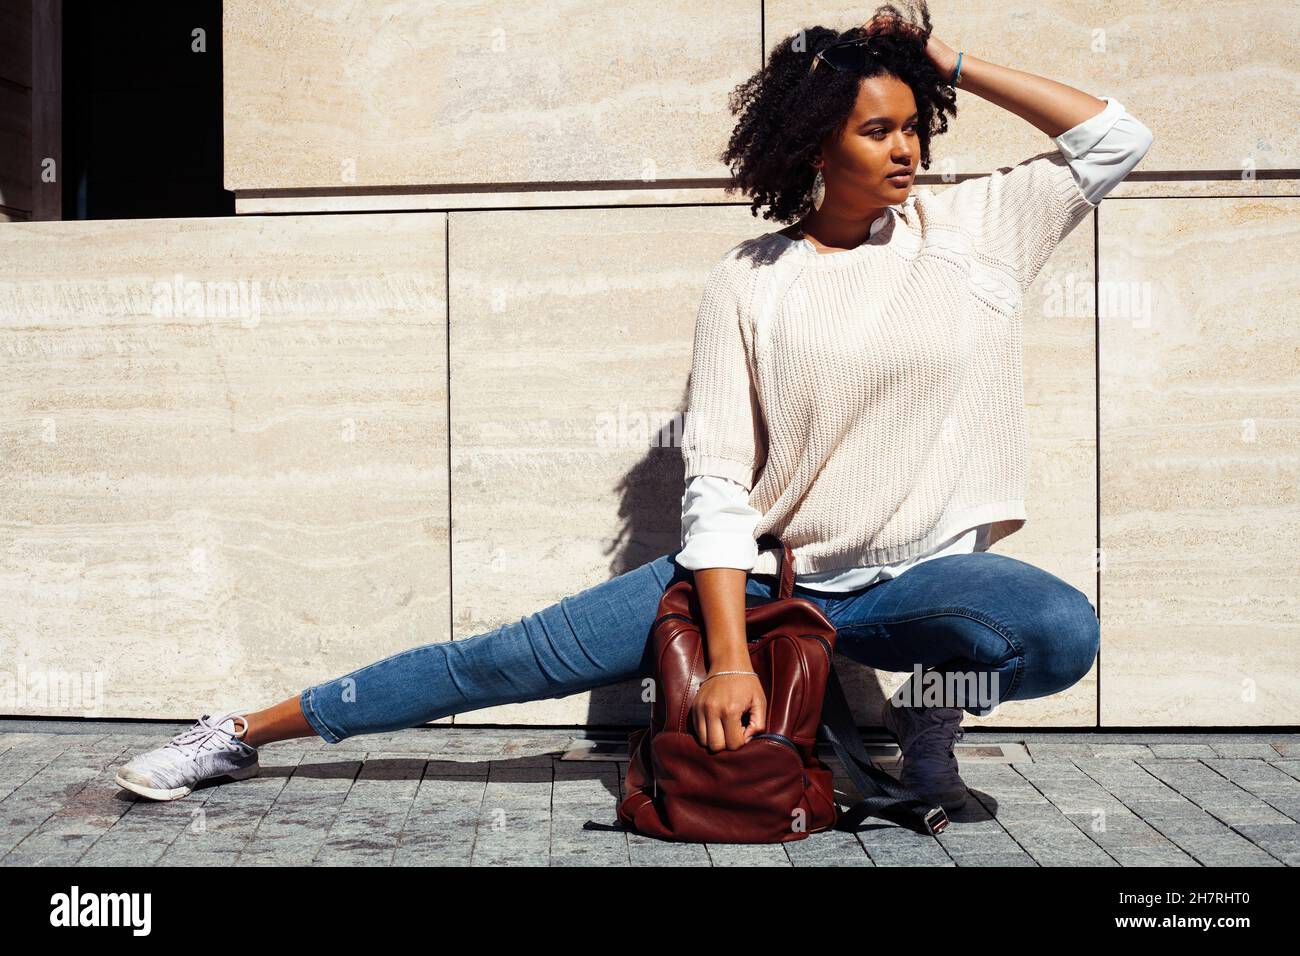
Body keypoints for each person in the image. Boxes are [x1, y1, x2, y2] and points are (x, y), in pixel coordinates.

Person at [115, 3, 1152, 815]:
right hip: (760, 575)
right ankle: (237, 731)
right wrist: (732, 656)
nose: (906, 149)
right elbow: (716, 476)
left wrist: (942, 60)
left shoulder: (973, 231)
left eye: (913, 125)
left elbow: (1115, 137)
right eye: (875, 128)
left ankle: (925, 729)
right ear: (811, 144)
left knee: (1054, 629)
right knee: (495, 661)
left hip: (920, 579)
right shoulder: (752, 278)